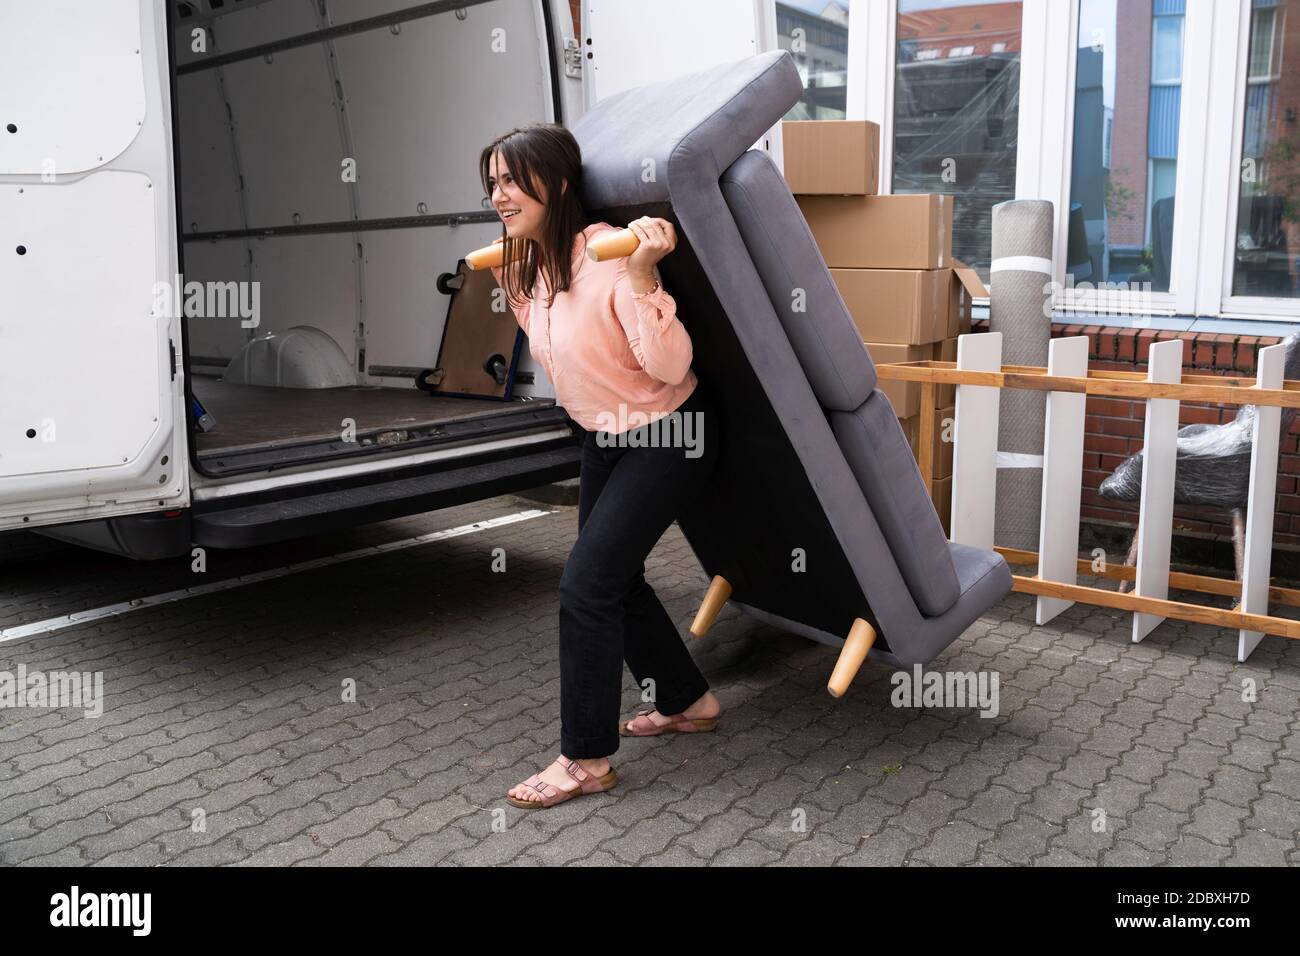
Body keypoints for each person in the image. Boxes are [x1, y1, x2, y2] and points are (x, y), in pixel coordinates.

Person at [481, 123, 722, 810]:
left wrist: (644, 273)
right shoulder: (517, 266)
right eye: (491, 182)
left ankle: (585, 761)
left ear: (556, 183)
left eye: (510, 179)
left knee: (586, 585)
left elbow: (672, 366)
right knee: (616, 579)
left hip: (673, 431)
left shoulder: (613, 256)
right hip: (602, 435)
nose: (498, 194)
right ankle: (688, 699)